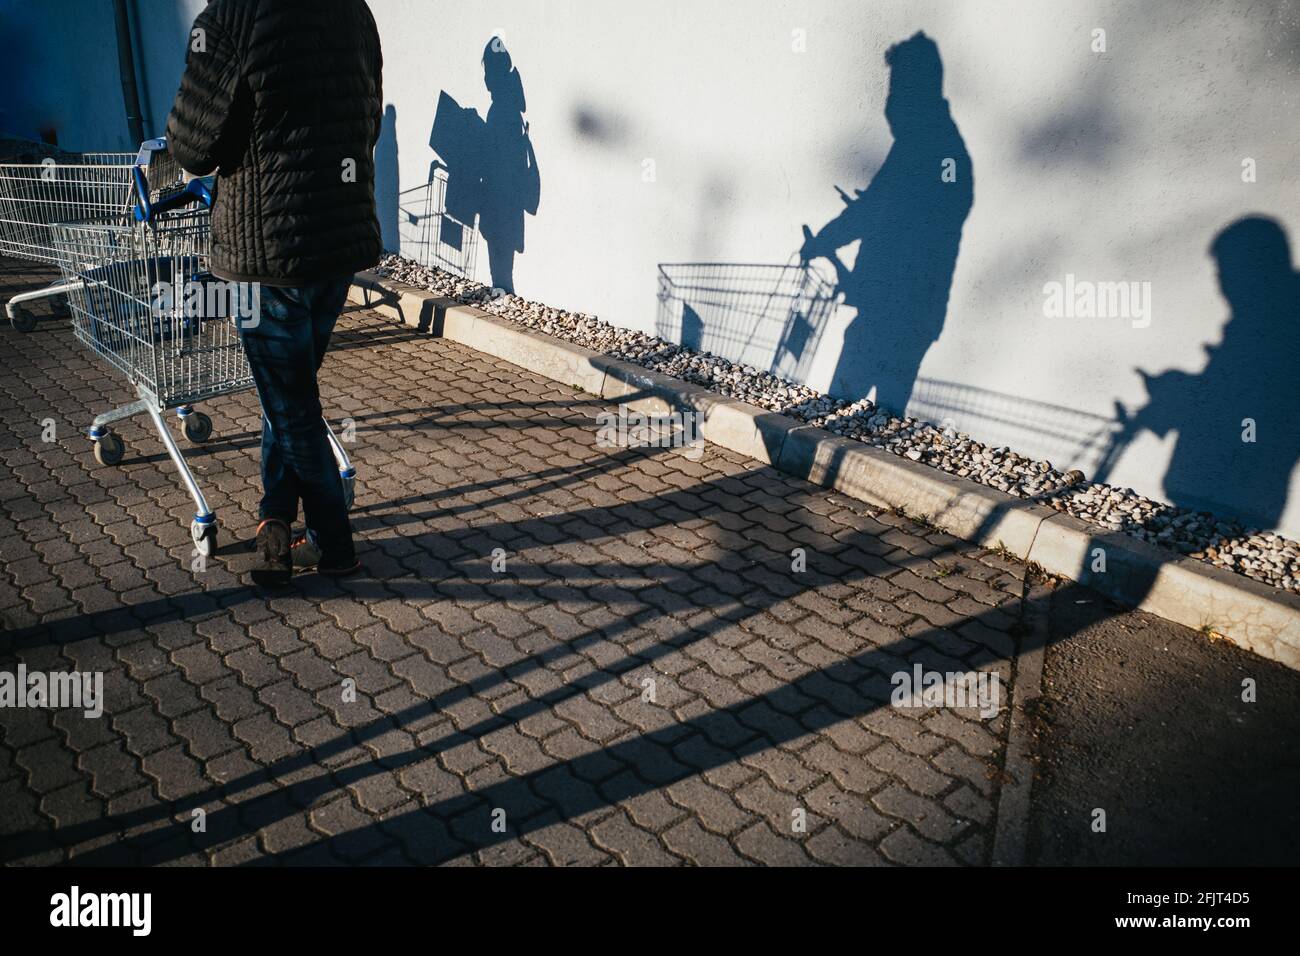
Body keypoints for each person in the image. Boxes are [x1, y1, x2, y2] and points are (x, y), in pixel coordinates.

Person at [165, 0, 383, 586]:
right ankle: (275, 525)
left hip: (269, 254)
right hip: (336, 246)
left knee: (292, 412)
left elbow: (191, 148)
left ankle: (335, 545)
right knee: (284, 398)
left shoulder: (230, 19)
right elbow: (371, 122)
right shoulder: (354, 13)